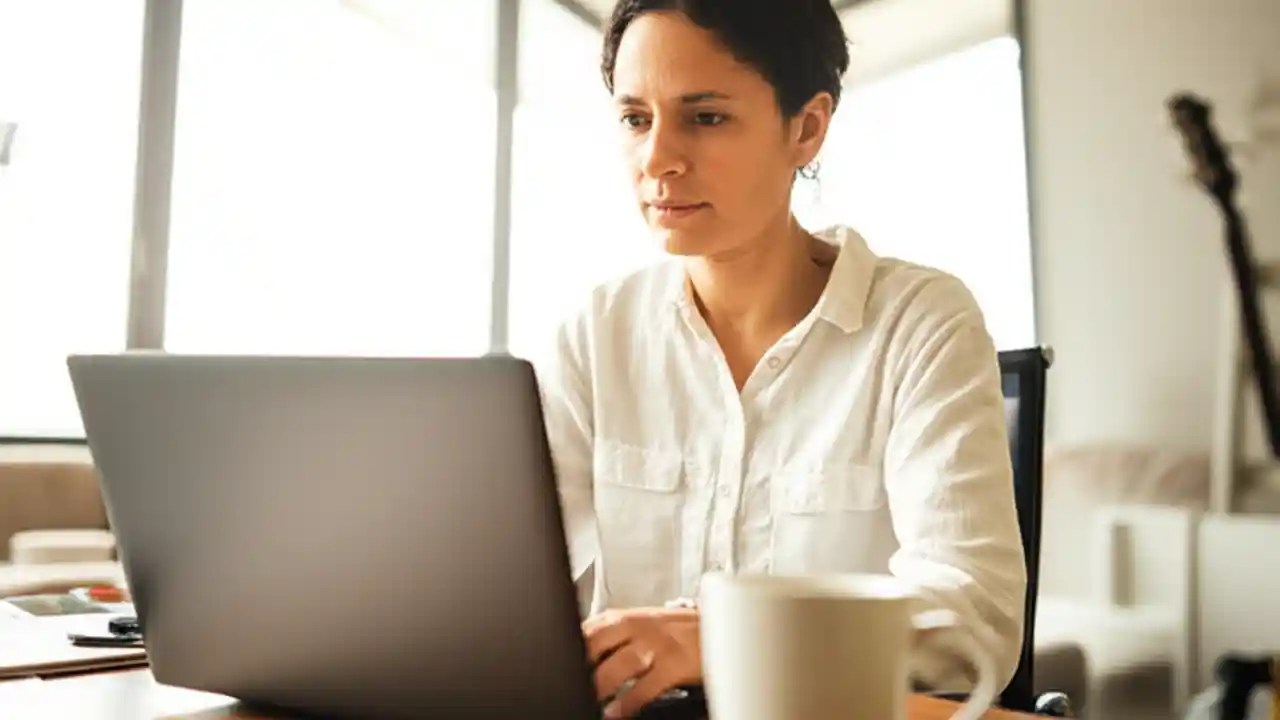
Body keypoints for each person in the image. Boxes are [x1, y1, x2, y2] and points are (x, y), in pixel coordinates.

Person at [535, 1, 1027, 716]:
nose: (658, 158)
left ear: (807, 128)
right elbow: (539, 612)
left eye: (705, 117)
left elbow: (974, 623)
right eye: (636, 118)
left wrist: (725, 641)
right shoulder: (592, 336)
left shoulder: (921, 324)